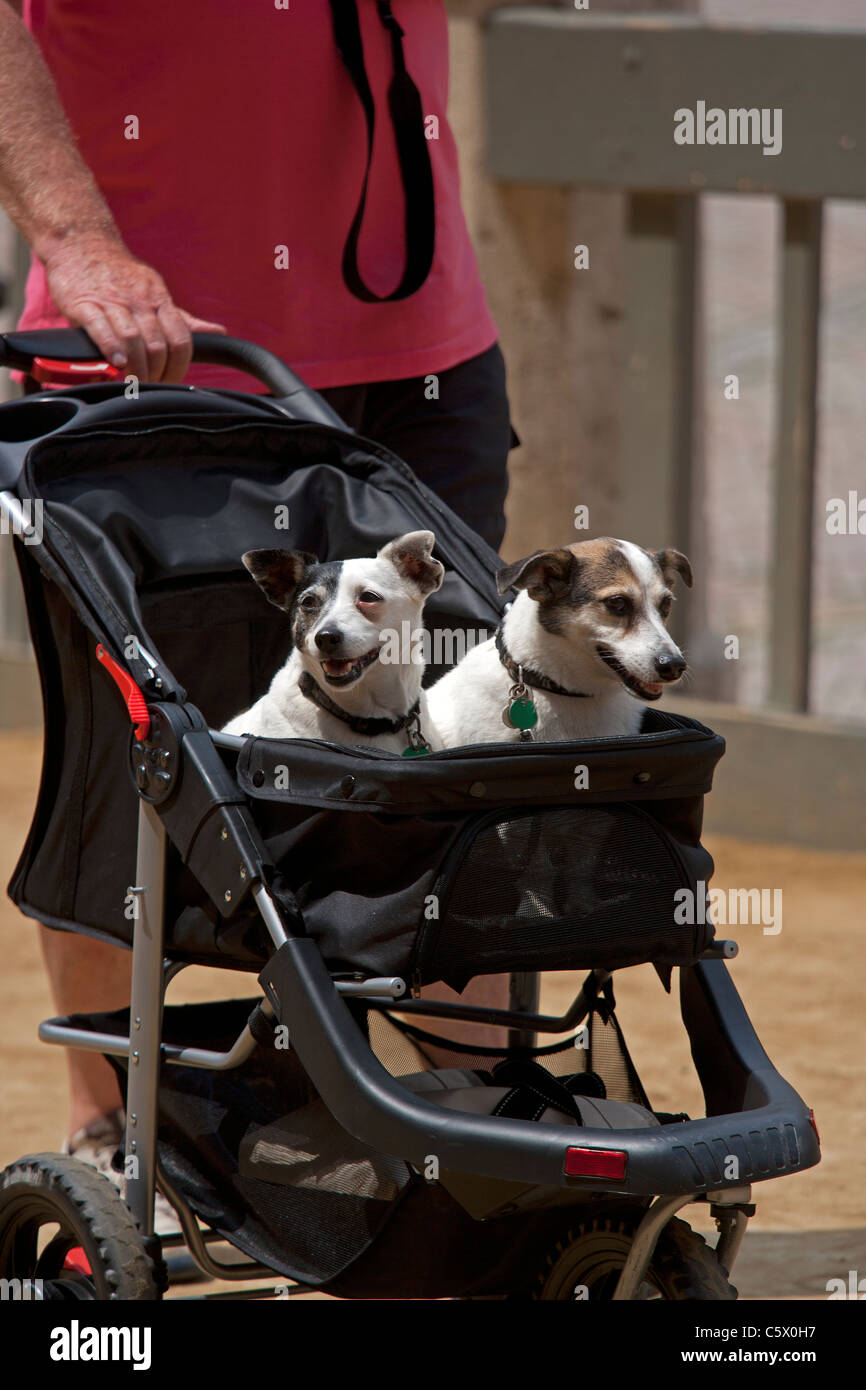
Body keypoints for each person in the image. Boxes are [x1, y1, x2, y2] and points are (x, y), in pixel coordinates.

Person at [0, 0, 516, 1192]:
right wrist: (75, 241)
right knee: (134, 744)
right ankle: (115, 1126)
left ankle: (483, 1135)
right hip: (147, 340)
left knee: (458, 745)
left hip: (424, 355)